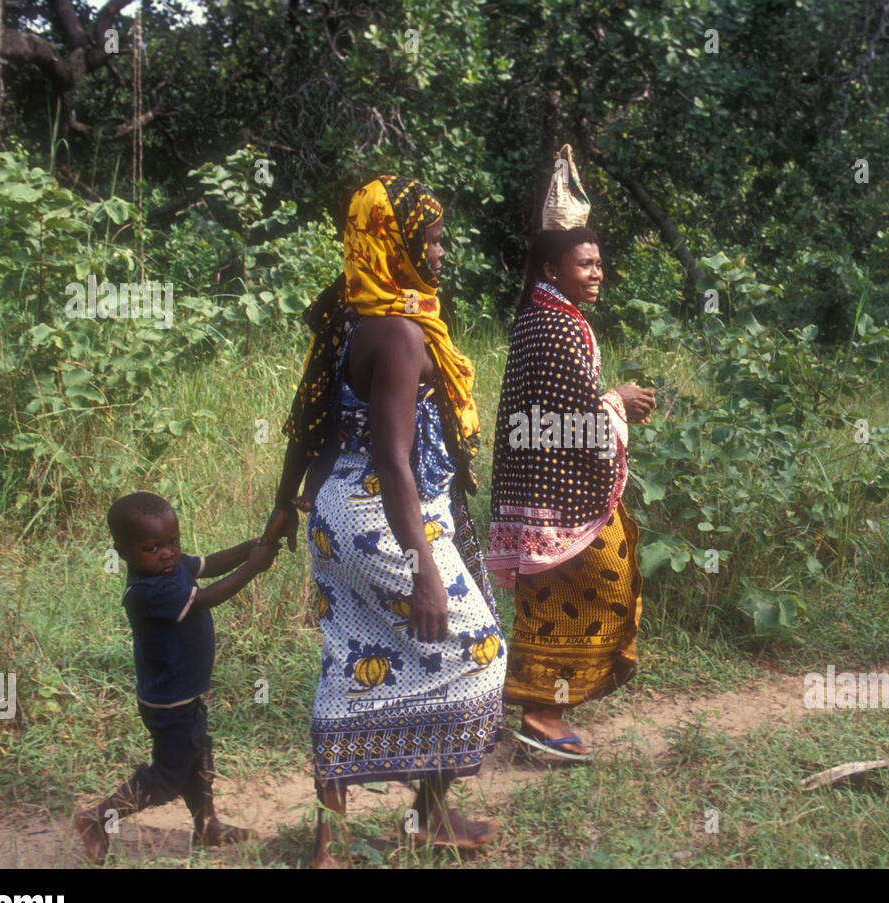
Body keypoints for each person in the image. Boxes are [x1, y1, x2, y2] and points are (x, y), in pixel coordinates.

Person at [261, 176, 503, 866]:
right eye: (429, 238)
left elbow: (309, 427)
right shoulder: (398, 333)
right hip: (384, 515)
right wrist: (425, 567)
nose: (441, 250)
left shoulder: (358, 312)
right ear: (392, 241)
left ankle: (341, 840)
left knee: (353, 660)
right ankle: (425, 813)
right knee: (478, 651)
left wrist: (285, 512)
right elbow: (396, 460)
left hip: (338, 515)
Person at [487, 226, 656, 758]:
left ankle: (539, 713)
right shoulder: (555, 327)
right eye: (585, 264)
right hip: (554, 498)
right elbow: (574, 417)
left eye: (599, 263)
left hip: (546, 487)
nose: (597, 273)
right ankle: (539, 711)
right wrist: (617, 399)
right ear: (552, 270)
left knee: (556, 592)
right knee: (600, 579)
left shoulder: (549, 319)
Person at [74, 492, 279, 864]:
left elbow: (209, 564)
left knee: (199, 758)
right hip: (168, 703)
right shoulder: (150, 590)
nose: (167, 553)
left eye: (173, 542)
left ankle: (207, 826)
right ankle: (98, 818)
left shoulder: (169, 568)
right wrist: (253, 567)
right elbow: (207, 596)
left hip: (185, 695)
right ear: (123, 553)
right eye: (153, 547)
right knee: (168, 775)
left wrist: (252, 547)